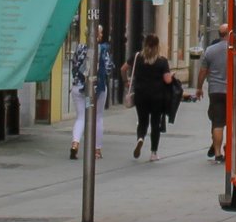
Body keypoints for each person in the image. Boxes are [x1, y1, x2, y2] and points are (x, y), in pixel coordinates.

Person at [123, 33, 173, 161]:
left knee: (142, 121)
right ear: (157, 46)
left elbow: (123, 69)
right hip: (157, 97)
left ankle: (140, 138)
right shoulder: (162, 61)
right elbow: (167, 80)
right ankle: (153, 153)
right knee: (155, 124)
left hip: (140, 95)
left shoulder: (137, 57)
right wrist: (171, 76)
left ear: (145, 44)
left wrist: (125, 81)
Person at [69, 25, 113, 160]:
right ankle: (97, 149)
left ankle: (75, 143)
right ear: (96, 34)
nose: (101, 35)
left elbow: (74, 66)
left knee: (81, 117)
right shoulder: (102, 49)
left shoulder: (80, 48)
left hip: (78, 87)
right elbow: (109, 68)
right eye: (100, 33)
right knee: (98, 117)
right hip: (96, 89)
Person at [197, 23, 229, 164]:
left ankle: (217, 153)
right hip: (232, 91)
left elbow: (203, 71)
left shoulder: (210, 50)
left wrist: (199, 88)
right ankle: (228, 148)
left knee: (217, 122)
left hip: (215, 90)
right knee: (234, 122)